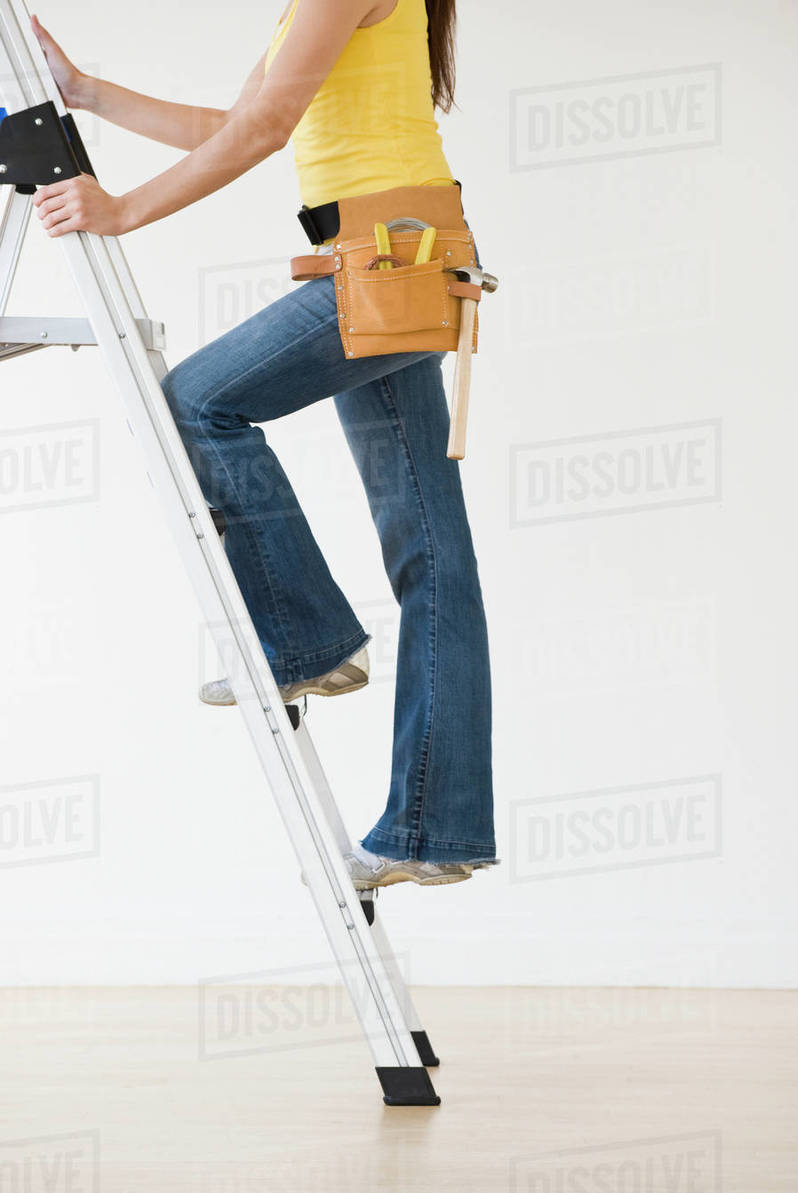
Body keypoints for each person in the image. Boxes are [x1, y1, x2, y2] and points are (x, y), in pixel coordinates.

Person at [30, 0, 498, 887]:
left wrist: (121, 211)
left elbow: (262, 127)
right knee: (436, 557)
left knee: (196, 402)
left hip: (387, 262)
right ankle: (434, 828)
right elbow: (241, 128)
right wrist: (86, 92)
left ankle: (307, 641)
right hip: (398, 261)